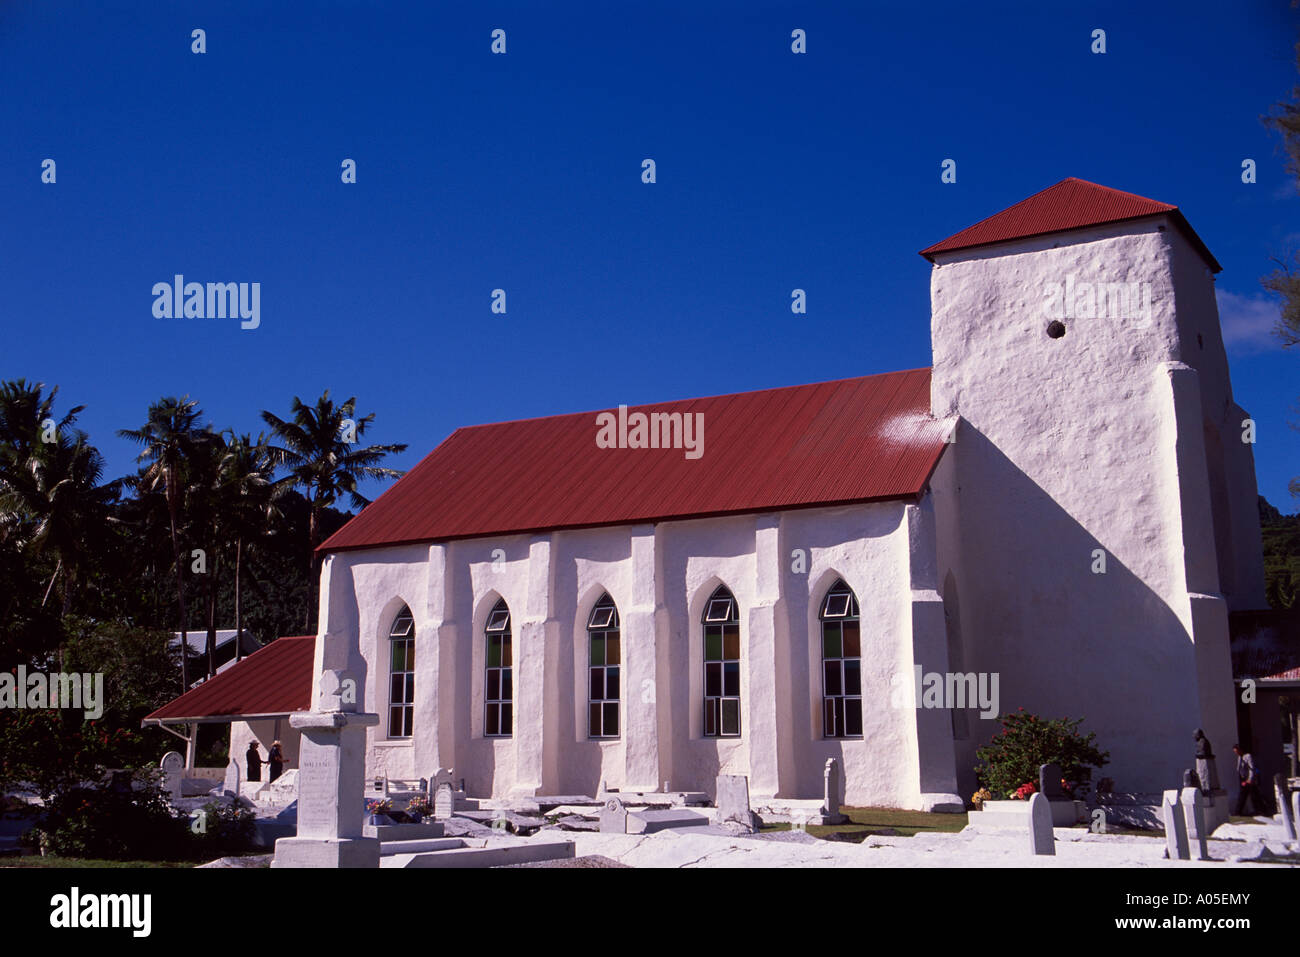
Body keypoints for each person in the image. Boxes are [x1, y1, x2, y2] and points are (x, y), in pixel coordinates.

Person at [1232, 743, 1262, 816]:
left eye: (1237, 751)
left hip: (1249, 779)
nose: (1236, 753)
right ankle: (1238, 811)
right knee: (1245, 795)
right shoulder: (1240, 757)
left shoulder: (1248, 756)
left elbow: (1251, 768)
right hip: (1244, 778)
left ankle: (1258, 810)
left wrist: (1249, 779)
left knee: (1252, 795)